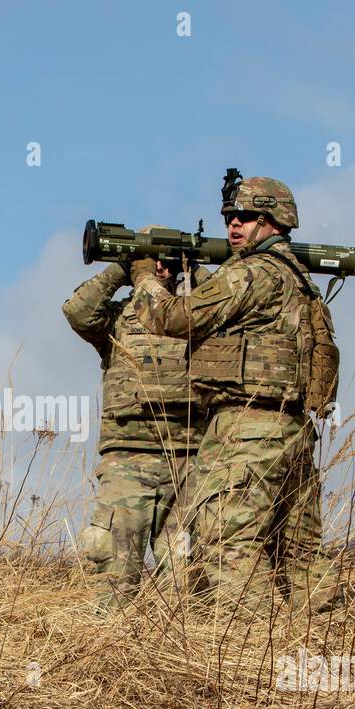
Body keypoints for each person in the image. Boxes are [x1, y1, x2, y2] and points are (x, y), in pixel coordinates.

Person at [129, 177, 341, 613]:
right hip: (293, 429)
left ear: (274, 222)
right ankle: (324, 648)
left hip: (248, 431)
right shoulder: (297, 279)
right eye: (230, 217)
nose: (234, 225)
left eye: (246, 217)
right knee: (302, 557)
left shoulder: (251, 273)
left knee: (226, 544)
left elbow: (174, 316)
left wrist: (144, 276)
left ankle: (247, 660)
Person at [63, 249, 210, 607]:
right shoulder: (118, 318)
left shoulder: (194, 316)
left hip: (188, 458)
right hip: (127, 460)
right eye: (152, 260)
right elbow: (78, 312)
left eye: (168, 260)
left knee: (184, 572)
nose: (160, 267)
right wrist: (123, 267)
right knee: (114, 567)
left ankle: (176, 656)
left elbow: (230, 304)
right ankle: (105, 654)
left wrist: (195, 266)